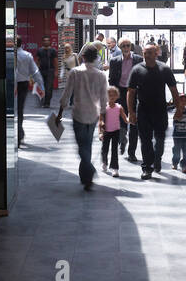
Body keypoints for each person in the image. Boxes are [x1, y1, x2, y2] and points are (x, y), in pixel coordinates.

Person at [56, 44, 109, 191]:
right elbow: (104, 99)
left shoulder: (75, 72)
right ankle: (86, 177)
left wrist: (60, 113)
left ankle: (88, 172)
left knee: (82, 146)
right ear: (96, 58)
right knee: (87, 145)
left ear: (83, 57)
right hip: (93, 114)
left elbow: (66, 94)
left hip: (78, 114)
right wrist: (103, 118)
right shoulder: (100, 75)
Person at [126, 43, 180, 180]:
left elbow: (174, 89)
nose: (146, 55)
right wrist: (131, 112)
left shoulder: (164, 69)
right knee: (145, 140)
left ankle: (157, 159)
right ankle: (147, 168)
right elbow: (131, 92)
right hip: (143, 110)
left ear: (156, 54)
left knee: (160, 139)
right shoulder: (137, 70)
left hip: (160, 110)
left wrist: (179, 109)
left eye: (150, 52)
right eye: (145, 52)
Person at [108, 38, 141, 160]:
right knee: (121, 120)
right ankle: (123, 138)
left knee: (134, 122)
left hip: (134, 93)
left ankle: (131, 152)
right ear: (120, 48)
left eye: (128, 45)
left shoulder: (138, 59)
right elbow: (111, 80)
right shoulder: (114, 61)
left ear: (130, 47)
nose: (126, 48)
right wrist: (111, 97)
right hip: (120, 93)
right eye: (123, 46)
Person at [14, 39, 45, 145]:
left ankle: (18, 132)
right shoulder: (27, 55)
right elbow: (35, 71)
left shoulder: (8, 54)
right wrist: (41, 85)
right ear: (21, 43)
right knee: (20, 109)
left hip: (10, 83)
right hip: (23, 84)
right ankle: (19, 132)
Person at [100, 87, 123, 176]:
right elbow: (100, 120)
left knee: (114, 150)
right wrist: (100, 132)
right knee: (104, 149)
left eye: (114, 95)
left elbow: (124, 118)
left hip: (116, 131)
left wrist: (129, 120)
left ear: (117, 96)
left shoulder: (119, 107)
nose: (112, 97)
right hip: (106, 131)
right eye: (109, 95)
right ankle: (104, 162)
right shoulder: (104, 107)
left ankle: (115, 168)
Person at [171, 95, 186, 173]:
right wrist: (179, 113)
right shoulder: (175, 110)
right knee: (177, 151)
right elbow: (175, 118)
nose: (183, 102)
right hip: (177, 135)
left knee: (185, 152)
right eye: (181, 100)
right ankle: (175, 163)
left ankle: (185, 166)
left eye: (185, 101)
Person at [36, 37, 58, 107]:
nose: (46, 42)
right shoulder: (39, 50)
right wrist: (36, 71)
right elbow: (37, 61)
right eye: (45, 40)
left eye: (47, 40)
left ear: (50, 42)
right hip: (41, 71)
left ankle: (47, 103)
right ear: (42, 42)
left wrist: (56, 70)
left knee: (49, 87)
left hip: (50, 71)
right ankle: (42, 101)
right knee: (41, 87)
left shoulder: (53, 50)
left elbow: (56, 61)